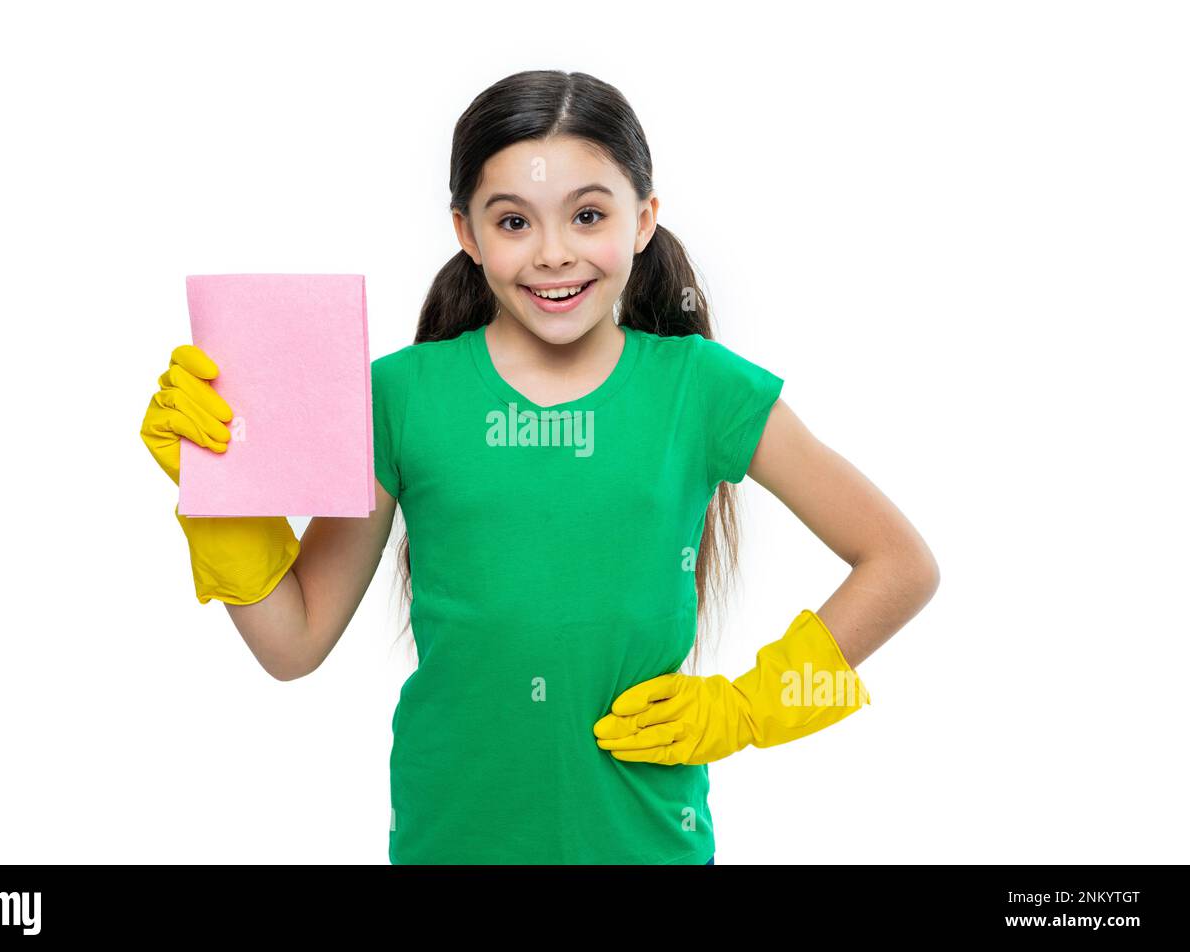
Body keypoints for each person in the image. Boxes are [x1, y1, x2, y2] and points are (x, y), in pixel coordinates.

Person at [140, 70, 940, 865]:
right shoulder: (398, 395)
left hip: (650, 844)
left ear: (644, 218)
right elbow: (294, 644)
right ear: (466, 231)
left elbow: (902, 565)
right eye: (514, 221)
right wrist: (218, 489)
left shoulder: (703, 388)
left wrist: (751, 708)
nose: (553, 253)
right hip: (448, 843)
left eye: (588, 214)